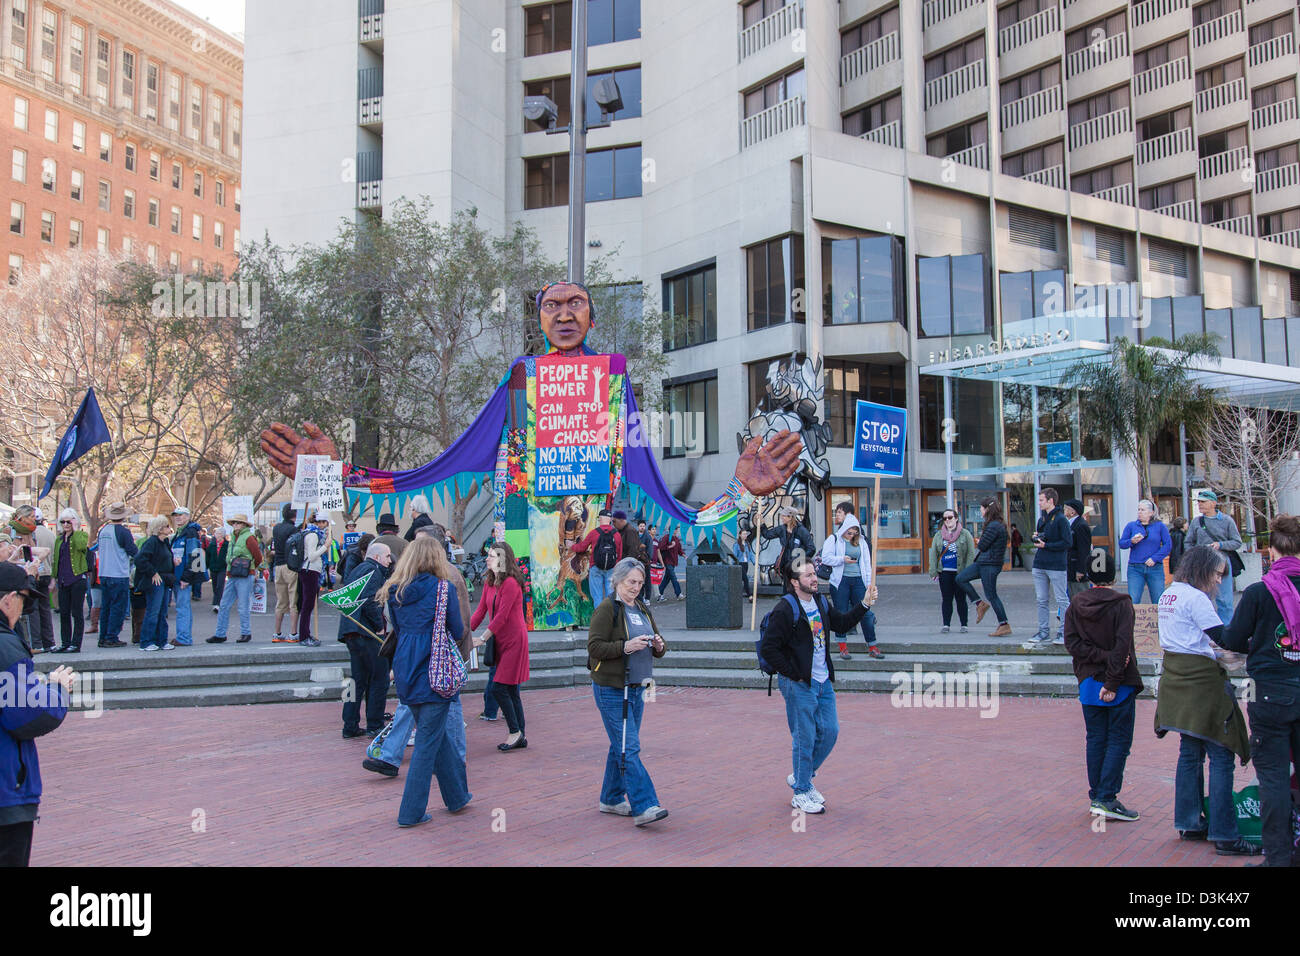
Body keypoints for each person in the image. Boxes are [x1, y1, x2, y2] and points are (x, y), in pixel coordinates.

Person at [1153, 545, 1259, 856]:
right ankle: (1225, 834)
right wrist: (1258, 643)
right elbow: (1226, 638)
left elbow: (1189, 639)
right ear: (1202, 571)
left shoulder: (1169, 593)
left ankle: (1189, 822)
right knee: (1222, 753)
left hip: (1176, 677)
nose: (1217, 581)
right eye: (1215, 575)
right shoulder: (1197, 599)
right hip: (1202, 681)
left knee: (1190, 751)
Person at [760, 557, 877, 814]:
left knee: (831, 731)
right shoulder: (785, 609)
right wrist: (794, 674)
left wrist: (865, 604)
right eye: (808, 575)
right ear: (794, 582)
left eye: (815, 574)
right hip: (799, 684)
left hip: (823, 681)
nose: (814, 579)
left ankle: (803, 776)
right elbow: (769, 649)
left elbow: (842, 623)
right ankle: (801, 792)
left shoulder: (821, 601)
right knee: (805, 738)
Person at [1218, 514, 1300, 866]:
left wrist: (1263, 644)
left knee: (1274, 779)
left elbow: (1234, 639)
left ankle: (1279, 857)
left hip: (1269, 693)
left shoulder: (1258, 591)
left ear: (1271, 549)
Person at [364, 524, 474, 777]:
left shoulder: (440, 581)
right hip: (428, 657)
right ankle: (445, 764)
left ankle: (442, 761)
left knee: (436, 712)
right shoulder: (426, 583)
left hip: (427, 657)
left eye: (418, 541)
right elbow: (455, 626)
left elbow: (459, 624)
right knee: (430, 714)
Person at [0, 562, 75, 866]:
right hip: (6, 791)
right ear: (7, 600)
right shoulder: (6, 645)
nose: (25, 608)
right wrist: (56, 690)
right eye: (24, 599)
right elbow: (26, 716)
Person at [586, 556, 669, 827]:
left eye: (640, 582)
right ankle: (645, 805)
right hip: (612, 689)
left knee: (619, 746)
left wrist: (658, 644)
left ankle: (610, 798)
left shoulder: (642, 608)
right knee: (629, 747)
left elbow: (660, 646)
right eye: (632, 581)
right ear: (618, 580)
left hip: (637, 687)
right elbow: (595, 647)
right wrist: (624, 647)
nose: (636, 587)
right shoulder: (607, 609)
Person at [1062, 549, 1143, 822]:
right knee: (1118, 740)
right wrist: (1112, 678)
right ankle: (1106, 797)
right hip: (1118, 682)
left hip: (1087, 681)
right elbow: (1123, 647)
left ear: (1088, 575)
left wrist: (1098, 659)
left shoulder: (1076, 604)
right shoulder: (1121, 603)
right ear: (1112, 574)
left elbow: (1072, 645)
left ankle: (1098, 794)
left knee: (1096, 738)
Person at [470, 543, 530, 751]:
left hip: (514, 640)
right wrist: (464, 631)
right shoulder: (489, 582)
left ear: (503, 560)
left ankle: (515, 732)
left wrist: (483, 638)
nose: (487, 559)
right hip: (500, 639)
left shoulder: (511, 583)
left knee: (499, 687)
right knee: (511, 689)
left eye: (492, 556)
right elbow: (480, 611)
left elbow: (502, 616)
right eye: (487, 555)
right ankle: (519, 734)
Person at [339, 542, 394, 739]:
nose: (390, 561)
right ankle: (375, 724)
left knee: (356, 680)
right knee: (379, 678)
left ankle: (350, 723)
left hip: (352, 632)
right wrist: (379, 625)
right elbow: (371, 599)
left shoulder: (358, 569)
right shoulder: (373, 571)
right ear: (378, 557)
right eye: (388, 556)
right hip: (366, 632)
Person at [820, 503, 882, 660]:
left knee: (866, 613)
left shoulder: (861, 541)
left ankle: (872, 646)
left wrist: (870, 583)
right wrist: (842, 559)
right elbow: (826, 558)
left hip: (859, 580)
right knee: (841, 613)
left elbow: (867, 563)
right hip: (841, 582)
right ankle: (843, 647)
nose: (851, 535)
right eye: (849, 532)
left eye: (854, 532)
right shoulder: (833, 539)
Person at [1184, 490, 1244, 625]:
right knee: (1201, 598)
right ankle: (1205, 631)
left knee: (1225, 600)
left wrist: (1220, 544)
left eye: (1203, 501)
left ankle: (1226, 632)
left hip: (1222, 563)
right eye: (1198, 502)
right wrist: (1195, 554)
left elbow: (1237, 542)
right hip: (1202, 563)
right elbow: (1188, 542)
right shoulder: (1196, 521)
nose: (1200, 504)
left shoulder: (1227, 520)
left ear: (1213, 503)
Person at [956, 497, 1012, 637]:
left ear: (987, 509)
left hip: (990, 564)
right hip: (984, 562)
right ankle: (980, 604)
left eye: (981, 508)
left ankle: (1004, 624)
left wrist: (980, 541)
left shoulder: (994, 525)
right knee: (961, 578)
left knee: (992, 595)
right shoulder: (994, 524)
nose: (980, 510)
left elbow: (982, 545)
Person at [207, 515, 264, 644]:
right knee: (224, 605)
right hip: (233, 574)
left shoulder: (249, 538)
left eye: (239, 523)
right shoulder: (233, 537)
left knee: (242, 605)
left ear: (244, 525)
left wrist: (252, 568)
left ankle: (245, 632)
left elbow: (258, 556)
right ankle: (220, 634)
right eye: (234, 523)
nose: (236, 525)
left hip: (244, 574)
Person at [1029, 489, 1072, 648]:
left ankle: (1064, 631)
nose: (1039, 503)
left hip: (1056, 565)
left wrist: (1046, 545)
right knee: (1041, 599)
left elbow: (1067, 542)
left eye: (1041, 500)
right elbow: (1044, 537)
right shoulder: (1042, 519)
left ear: (1050, 501)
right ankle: (1043, 631)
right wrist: (1037, 537)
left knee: (1062, 599)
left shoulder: (1061, 519)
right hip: (1040, 563)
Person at [93, 503, 136, 648]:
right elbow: (132, 551)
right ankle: (112, 636)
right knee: (118, 607)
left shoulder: (103, 530)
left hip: (104, 572)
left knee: (106, 607)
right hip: (118, 573)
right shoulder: (123, 532)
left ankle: (103, 636)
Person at [49, 510, 90, 654]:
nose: (66, 524)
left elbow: (80, 547)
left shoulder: (81, 535)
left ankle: (75, 644)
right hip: (63, 580)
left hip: (77, 578)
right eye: (63, 522)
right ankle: (65, 642)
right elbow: (56, 561)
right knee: (63, 612)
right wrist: (53, 578)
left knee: (77, 612)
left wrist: (77, 529)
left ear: (74, 521)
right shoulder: (59, 539)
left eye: (69, 521)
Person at [134, 516, 178, 652]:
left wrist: (173, 562)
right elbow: (140, 559)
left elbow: (163, 559)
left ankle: (161, 640)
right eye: (166, 526)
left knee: (162, 611)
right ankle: (146, 641)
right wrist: (153, 572)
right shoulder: (151, 542)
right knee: (153, 611)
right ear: (159, 529)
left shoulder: (165, 542)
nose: (168, 528)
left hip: (165, 580)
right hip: (155, 581)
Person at [929, 508, 974, 634]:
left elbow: (970, 553)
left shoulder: (965, 534)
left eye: (950, 517)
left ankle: (964, 625)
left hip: (960, 573)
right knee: (946, 599)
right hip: (945, 572)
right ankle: (946, 624)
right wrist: (933, 571)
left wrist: (968, 571)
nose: (947, 520)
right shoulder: (939, 535)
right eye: (945, 518)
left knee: (961, 599)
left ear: (956, 518)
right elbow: (933, 554)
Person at [1119, 499, 1171, 606]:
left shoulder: (1160, 526)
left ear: (1151, 513)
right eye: (1138, 509)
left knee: (1158, 601)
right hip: (1135, 568)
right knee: (1133, 600)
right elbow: (1122, 544)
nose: (1139, 512)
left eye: (1143, 510)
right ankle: (1133, 622)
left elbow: (1168, 545)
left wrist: (1155, 558)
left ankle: (1158, 622)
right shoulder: (1131, 526)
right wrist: (1131, 541)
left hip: (1155, 568)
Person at [168, 506, 207, 647]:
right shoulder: (181, 533)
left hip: (183, 577)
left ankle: (183, 638)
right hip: (179, 576)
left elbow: (195, 556)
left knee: (182, 608)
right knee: (183, 607)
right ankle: (183, 636)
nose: (178, 517)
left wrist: (186, 577)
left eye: (181, 515)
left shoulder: (190, 532)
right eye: (175, 515)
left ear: (187, 516)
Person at [570, 509, 622, 608]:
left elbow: (581, 548)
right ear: (610, 519)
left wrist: (572, 546)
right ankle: (609, 619)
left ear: (600, 519)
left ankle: (599, 621)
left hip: (596, 567)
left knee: (597, 597)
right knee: (610, 596)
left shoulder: (594, 533)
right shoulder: (617, 534)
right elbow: (619, 555)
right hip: (611, 568)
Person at [297, 512, 332, 648]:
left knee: (309, 604)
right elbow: (312, 556)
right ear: (319, 522)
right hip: (309, 570)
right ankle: (304, 635)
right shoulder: (312, 534)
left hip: (312, 570)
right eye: (323, 522)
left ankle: (305, 634)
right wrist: (325, 546)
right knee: (307, 605)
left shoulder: (315, 534)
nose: (325, 525)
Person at [762, 507, 816, 590]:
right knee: (786, 590)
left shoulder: (802, 531)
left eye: (784, 516)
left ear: (791, 517)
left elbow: (811, 548)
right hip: (785, 566)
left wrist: (799, 560)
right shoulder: (782, 529)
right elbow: (767, 535)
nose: (782, 518)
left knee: (797, 589)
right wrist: (762, 524)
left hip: (797, 567)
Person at [270, 503, 300, 643]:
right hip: (290, 566)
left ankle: (277, 632)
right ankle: (293, 633)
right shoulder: (293, 530)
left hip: (278, 566)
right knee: (293, 600)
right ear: (295, 515)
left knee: (280, 601)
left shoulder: (276, 528)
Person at [1063, 498, 1093, 602]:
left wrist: (1081, 570)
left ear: (1073, 511)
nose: (1064, 511)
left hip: (1077, 568)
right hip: (1070, 567)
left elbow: (1084, 550)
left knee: (1081, 598)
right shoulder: (1070, 523)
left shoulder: (1081, 525)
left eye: (1066, 508)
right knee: (1072, 597)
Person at [656, 529, 684, 602]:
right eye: (673, 529)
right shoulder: (666, 537)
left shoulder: (676, 539)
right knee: (673, 577)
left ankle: (659, 594)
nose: (675, 531)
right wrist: (671, 546)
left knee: (666, 579)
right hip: (667, 561)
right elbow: (661, 548)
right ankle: (678, 594)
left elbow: (679, 550)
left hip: (673, 561)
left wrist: (684, 555)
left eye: (676, 529)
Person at [207, 529, 228, 613]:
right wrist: (208, 565)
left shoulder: (227, 545)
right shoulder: (212, 544)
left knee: (220, 585)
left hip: (222, 568)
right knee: (215, 585)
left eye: (219, 534)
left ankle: (217, 604)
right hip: (213, 568)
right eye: (216, 534)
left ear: (222, 535)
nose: (217, 536)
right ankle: (216, 601)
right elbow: (208, 556)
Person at [734, 529, 755, 598]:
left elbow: (751, 554)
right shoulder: (736, 544)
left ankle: (736, 595)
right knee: (746, 579)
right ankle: (750, 595)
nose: (745, 535)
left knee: (740, 580)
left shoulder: (747, 544)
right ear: (740, 535)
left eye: (746, 534)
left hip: (746, 564)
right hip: (740, 564)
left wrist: (755, 562)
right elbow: (734, 555)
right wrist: (733, 564)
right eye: (743, 534)